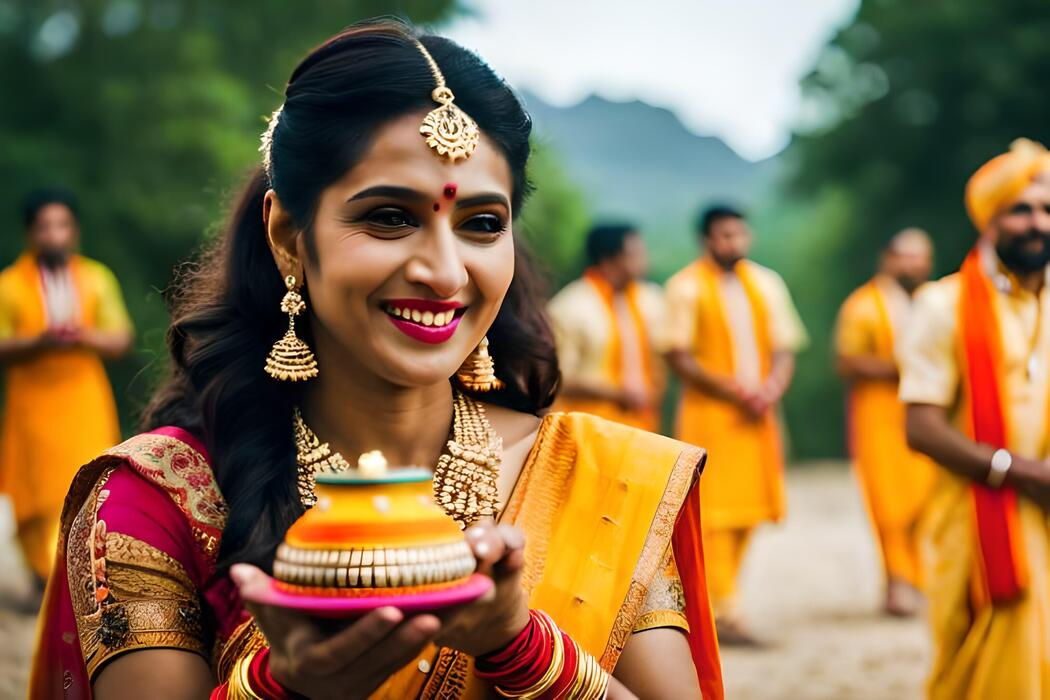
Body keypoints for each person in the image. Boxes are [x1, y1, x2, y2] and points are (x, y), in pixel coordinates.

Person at [31, 21, 723, 699]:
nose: (446, 273)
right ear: (288, 237)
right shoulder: (160, 500)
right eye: (390, 217)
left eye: (482, 224)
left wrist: (522, 647)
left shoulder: (598, 481)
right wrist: (284, 689)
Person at [899, 138, 1050, 698]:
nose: (1037, 222)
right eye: (1021, 209)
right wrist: (1023, 473)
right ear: (990, 221)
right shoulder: (943, 306)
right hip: (976, 517)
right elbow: (920, 427)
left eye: (1046, 209)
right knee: (972, 669)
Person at [664, 204, 807, 645]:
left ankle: (726, 603)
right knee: (712, 511)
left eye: (740, 234)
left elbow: (785, 346)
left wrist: (771, 388)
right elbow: (677, 355)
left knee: (750, 509)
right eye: (725, 236)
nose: (735, 244)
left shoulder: (767, 283)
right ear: (706, 240)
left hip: (758, 413)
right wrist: (734, 391)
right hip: (711, 415)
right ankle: (723, 612)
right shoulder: (684, 287)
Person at [0, 188, 132, 590]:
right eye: (45, 227)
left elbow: (120, 338)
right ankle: (46, 579)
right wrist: (37, 342)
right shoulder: (8, 286)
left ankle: (84, 578)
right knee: (38, 496)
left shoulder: (96, 279)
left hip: (82, 399)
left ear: (74, 231)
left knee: (91, 487)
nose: (54, 235)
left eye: (62, 226)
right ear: (30, 234)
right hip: (32, 401)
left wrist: (84, 336)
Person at [834, 228, 937, 616]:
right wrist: (901, 367)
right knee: (890, 503)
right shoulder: (863, 305)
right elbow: (846, 362)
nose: (914, 264)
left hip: (925, 415)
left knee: (926, 499)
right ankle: (897, 583)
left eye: (921, 256)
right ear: (888, 258)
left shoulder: (935, 301)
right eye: (906, 255)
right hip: (878, 416)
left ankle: (920, 579)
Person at [548, 223, 667, 432]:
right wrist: (616, 393)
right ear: (609, 260)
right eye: (635, 253)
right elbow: (555, 378)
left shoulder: (649, 299)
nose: (644, 259)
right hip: (589, 430)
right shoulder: (570, 307)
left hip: (643, 426)